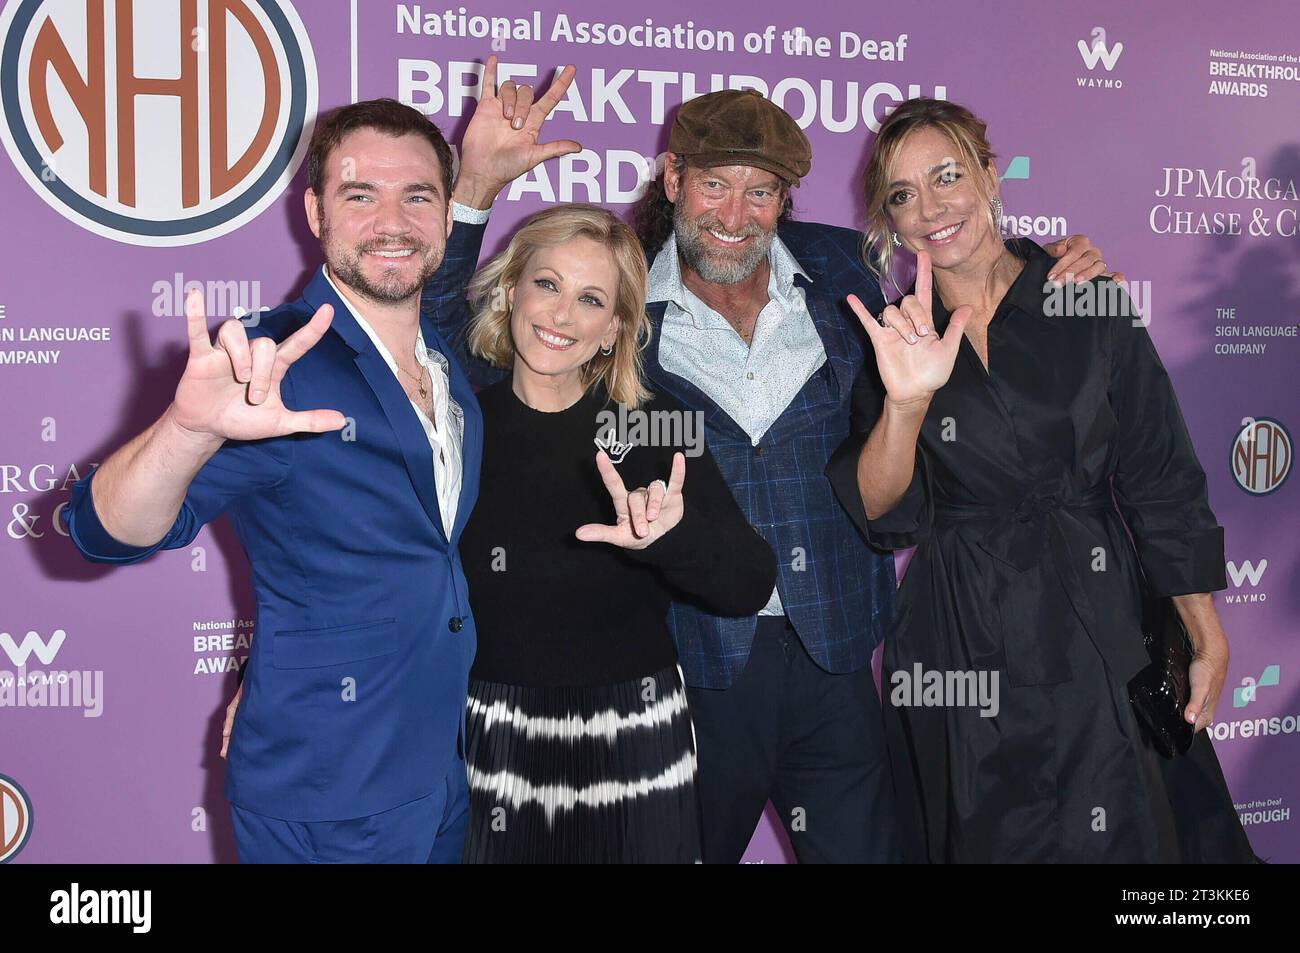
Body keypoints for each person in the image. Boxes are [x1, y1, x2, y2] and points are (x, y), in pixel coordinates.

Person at [422, 60, 1115, 862]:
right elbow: (442, 339)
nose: (735, 214)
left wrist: (1054, 270)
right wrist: (473, 186)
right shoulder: (609, 295)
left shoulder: (844, 271)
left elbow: (956, 264)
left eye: (761, 191)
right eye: (715, 184)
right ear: (673, 177)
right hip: (692, 671)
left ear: (786, 200)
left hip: (839, 659)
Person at [826, 96, 1256, 862]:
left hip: (1100, 612)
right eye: (902, 194)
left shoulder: (1085, 294)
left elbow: (1161, 476)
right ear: (888, 221)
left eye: (948, 176)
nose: (930, 208)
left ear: (991, 176)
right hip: (962, 632)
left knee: (1130, 828)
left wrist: (1205, 628)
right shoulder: (897, 336)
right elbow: (880, 510)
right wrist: (906, 402)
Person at [64, 99, 483, 863]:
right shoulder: (271, 365)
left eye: (417, 195)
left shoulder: (442, 361)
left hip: (439, 768)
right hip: (330, 790)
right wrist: (186, 431)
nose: (393, 218)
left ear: (447, 215)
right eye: (361, 194)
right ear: (316, 210)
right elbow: (103, 531)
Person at [455, 204, 776, 863]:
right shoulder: (457, 428)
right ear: (511, 288)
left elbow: (749, 581)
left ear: (614, 329)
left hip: (635, 737)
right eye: (547, 284)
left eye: (591, 299)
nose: (561, 315)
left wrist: (672, 536)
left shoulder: (653, 425)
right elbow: (381, 578)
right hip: (494, 741)